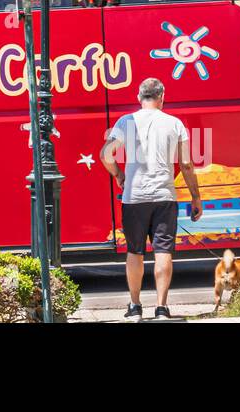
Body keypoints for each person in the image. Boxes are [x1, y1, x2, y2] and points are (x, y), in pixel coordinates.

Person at [99, 78, 202, 321]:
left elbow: (105, 155)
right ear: (162, 97)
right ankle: (161, 308)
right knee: (163, 250)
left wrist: (119, 175)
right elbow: (186, 164)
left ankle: (135, 307)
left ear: (139, 97)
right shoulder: (174, 124)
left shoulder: (126, 122)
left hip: (133, 198)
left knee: (135, 252)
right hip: (164, 197)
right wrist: (196, 197)